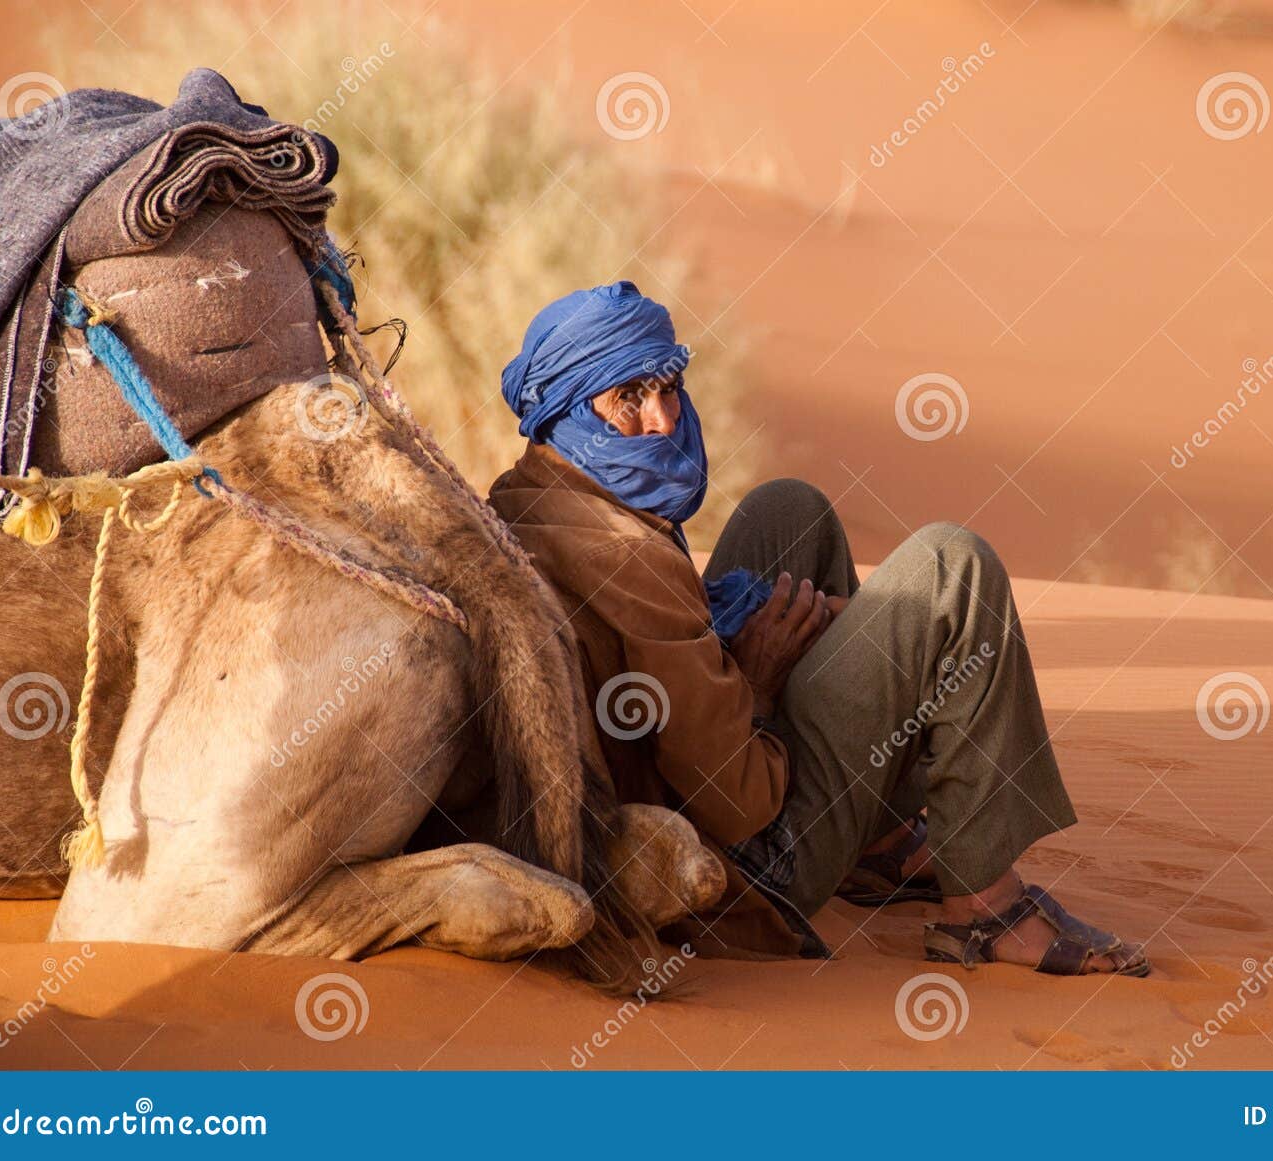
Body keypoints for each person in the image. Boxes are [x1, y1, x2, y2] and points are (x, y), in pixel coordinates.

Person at [489, 280, 1148, 977]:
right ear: (567, 410)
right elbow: (739, 802)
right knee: (953, 567)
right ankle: (988, 908)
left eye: (669, 386)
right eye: (627, 399)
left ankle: (880, 838)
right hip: (741, 870)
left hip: (673, 777)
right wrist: (761, 684)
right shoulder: (630, 560)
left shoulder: (530, 495)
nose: (661, 420)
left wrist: (755, 651)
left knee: (787, 512)